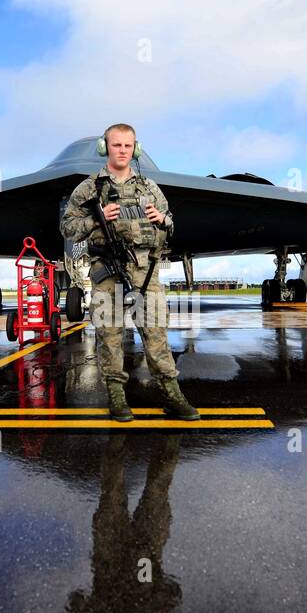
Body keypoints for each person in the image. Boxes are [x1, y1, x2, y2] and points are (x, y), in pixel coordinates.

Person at [60, 123, 199, 422]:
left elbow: (171, 225)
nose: (122, 151)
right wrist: (96, 222)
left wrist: (162, 219)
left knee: (156, 337)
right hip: (107, 275)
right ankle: (117, 399)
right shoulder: (89, 189)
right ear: (105, 148)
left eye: (127, 146)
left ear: (134, 148)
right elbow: (68, 227)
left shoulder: (149, 188)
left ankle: (173, 396)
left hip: (145, 275)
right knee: (109, 338)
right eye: (116, 145)